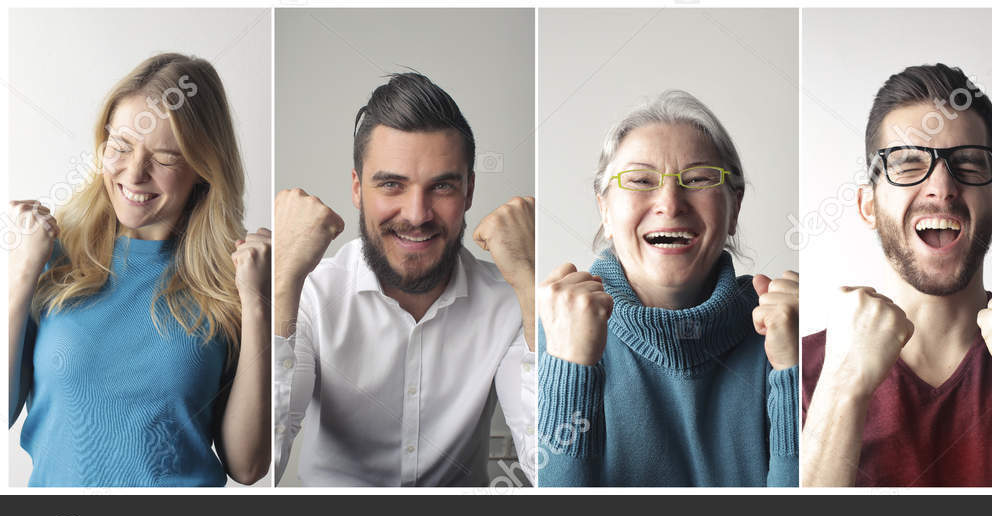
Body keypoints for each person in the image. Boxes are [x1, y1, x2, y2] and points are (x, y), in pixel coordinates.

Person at [8, 53, 270, 486]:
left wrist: (258, 304)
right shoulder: (54, 257)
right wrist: (21, 275)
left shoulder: (233, 281)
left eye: (165, 158)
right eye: (121, 147)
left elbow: (247, 466)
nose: (134, 173)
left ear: (203, 170)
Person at [801, 64, 992, 488]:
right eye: (907, 164)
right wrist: (842, 388)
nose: (941, 187)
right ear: (868, 205)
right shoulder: (795, 370)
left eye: (969, 164)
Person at [273, 72, 539, 486]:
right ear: (358, 190)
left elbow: (554, 474)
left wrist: (529, 281)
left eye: (442, 187)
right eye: (392, 185)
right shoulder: (309, 295)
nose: (417, 214)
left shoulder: (511, 300)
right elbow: (258, 470)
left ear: (468, 192)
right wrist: (283, 279)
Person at [537, 90, 799, 487]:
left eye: (697, 179)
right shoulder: (549, 335)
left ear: (735, 208)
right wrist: (571, 369)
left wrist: (794, 373)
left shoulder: (789, 333)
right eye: (641, 180)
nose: (670, 203)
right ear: (605, 210)